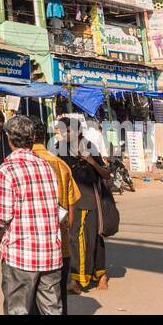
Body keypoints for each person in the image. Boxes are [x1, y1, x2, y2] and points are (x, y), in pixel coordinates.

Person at [0, 115, 64, 315]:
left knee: (17, 309)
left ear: (9, 138)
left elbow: (4, 215)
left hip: (21, 253)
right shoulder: (46, 166)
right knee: (52, 310)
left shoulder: (8, 168)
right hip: (50, 251)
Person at [28, 117, 78, 313]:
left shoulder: (20, 164)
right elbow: (71, 210)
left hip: (29, 247)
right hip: (59, 244)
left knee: (29, 301)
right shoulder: (61, 165)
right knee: (58, 300)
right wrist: (64, 235)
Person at [59, 118, 112, 293]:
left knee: (87, 238)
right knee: (76, 238)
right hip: (68, 200)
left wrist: (92, 162)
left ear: (78, 131)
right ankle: (90, 276)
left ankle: (83, 279)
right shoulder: (60, 149)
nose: (65, 134)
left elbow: (106, 174)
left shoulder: (89, 147)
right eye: (63, 131)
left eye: (69, 130)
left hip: (88, 199)